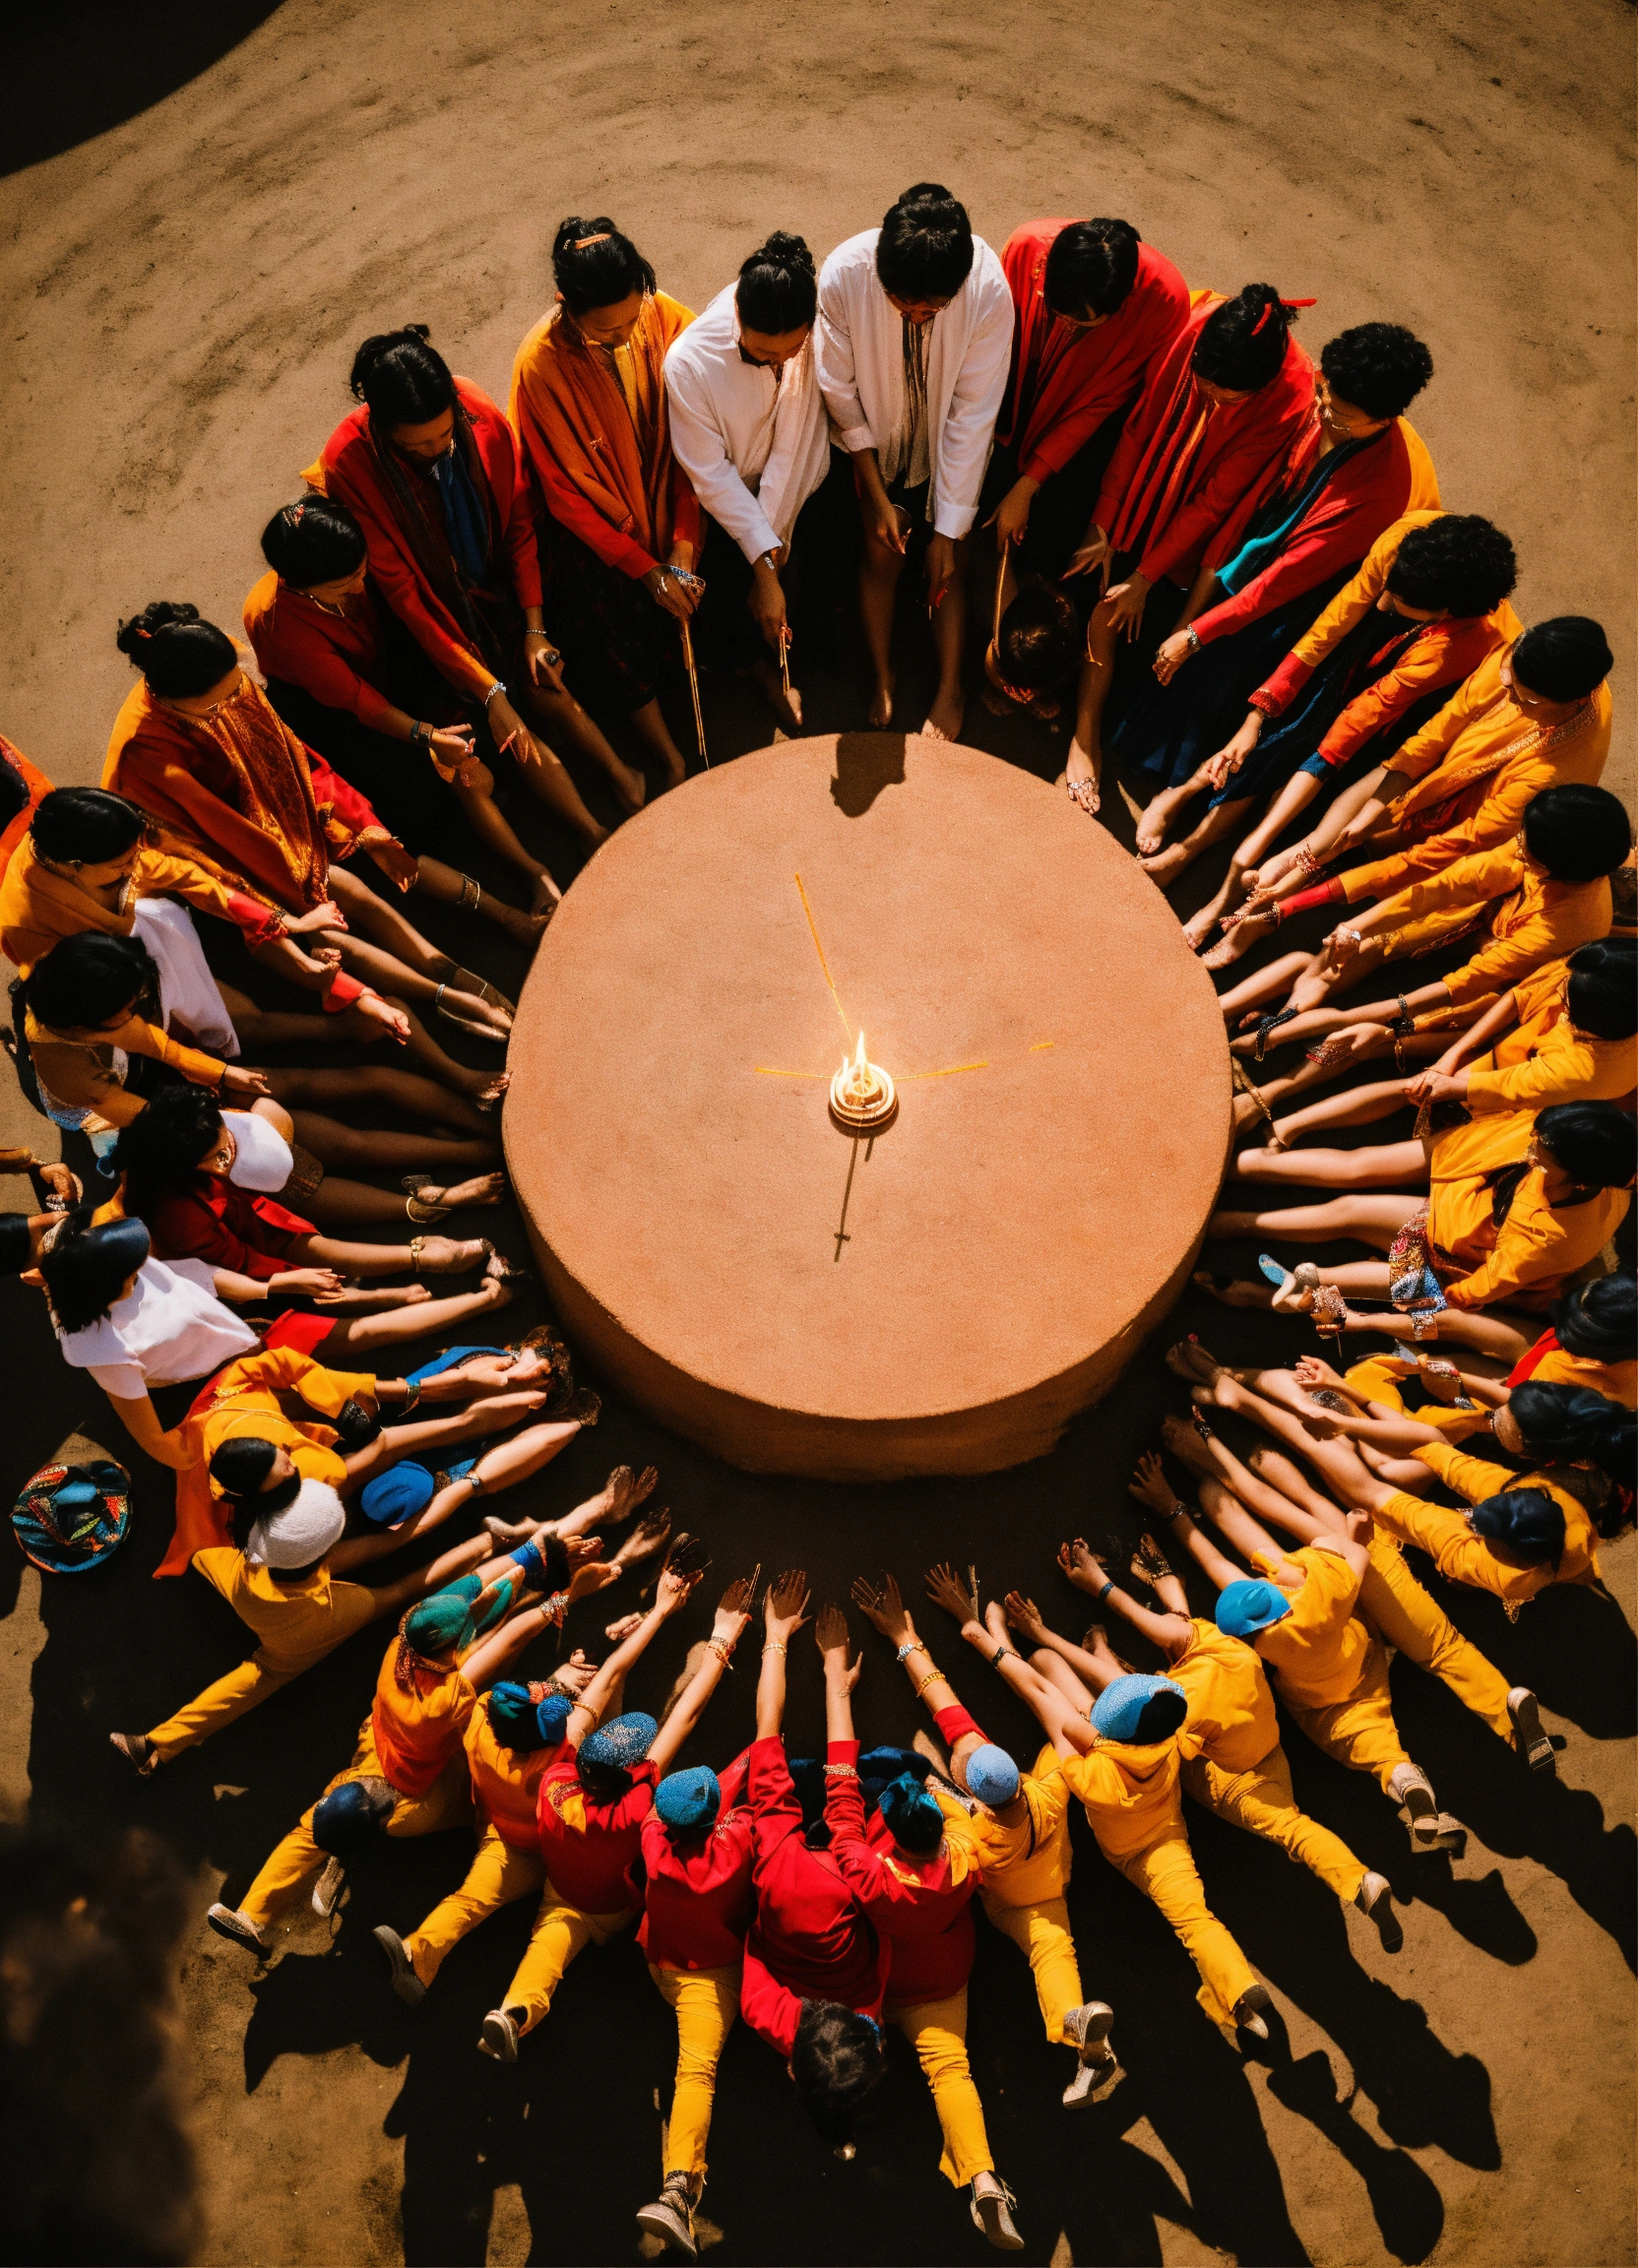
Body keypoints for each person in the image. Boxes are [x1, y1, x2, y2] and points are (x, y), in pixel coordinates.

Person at [103, 601, 512, 1041]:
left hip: (254, 811)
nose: (238, 700)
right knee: (325, 914)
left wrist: (361, 825)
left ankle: (455, 967)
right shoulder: (147, 755)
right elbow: (221, 841)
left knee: (356, 879)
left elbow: (290, 757)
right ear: (176, 703)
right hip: (201, 852)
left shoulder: (222, 677)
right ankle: (448, 995)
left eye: (236, 689)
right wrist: (302, 897)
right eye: (220, 702)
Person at [107, 1376, 561, 1766]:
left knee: (251, 1682)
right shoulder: (336, 1601)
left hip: (247, 1590)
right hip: (307, 1621)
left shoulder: (231, 1553)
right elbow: (398, 1552)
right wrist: (465, 1490)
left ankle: (156, 1744)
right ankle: (486, 1535)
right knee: (400, 1586)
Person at [1042, 1454, 1403, 1937]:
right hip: (1268, 1748)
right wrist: (1100, 1590)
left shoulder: (1182, 1707)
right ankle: (1362, 1876)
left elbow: (1134, 1696)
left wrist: (1054, 1634)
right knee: (1293, 1823)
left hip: (1237, 1778)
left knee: (1287, 1825)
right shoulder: (1237, 1652)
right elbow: (1167, 1634)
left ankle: (1357, 1877)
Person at [310, 325, 641, 836]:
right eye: (418, 446)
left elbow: (517, 523)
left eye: (445, 435)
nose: (439, 449)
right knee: (508, 727)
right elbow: (404, 594)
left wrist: (534, 626)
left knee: (542, 676)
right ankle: (590, 830)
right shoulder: (349, 461)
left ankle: (622, 772)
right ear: (382, 426)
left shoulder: (476, 409)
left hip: (494, 588)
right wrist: (490, 693)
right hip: (426, 624)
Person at [206, 1542, 606, 1955]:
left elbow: (467, 1591)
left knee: (312, 1827)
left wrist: (528, 1561)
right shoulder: (439, 1702)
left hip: (372, 1753)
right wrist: (567, 1595)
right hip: (415, 1791)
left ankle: (253, 1915)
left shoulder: (400, 1642)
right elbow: (500, 1642)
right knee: (475, 1791)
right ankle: (345, 1851)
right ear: (448, 1649)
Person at [1125, 322, 1438, 821]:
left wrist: (1195, 633)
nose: (1324, 414)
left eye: (1344, 416)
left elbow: (1284, 580)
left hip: (1286, 595)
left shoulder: (1382, 491)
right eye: (1325, 396)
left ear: (1386, 419)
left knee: (1217, 675)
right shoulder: (1321, 406)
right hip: (1251, 545)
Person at [1161, 513, 1521, 924]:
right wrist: (1258, 714)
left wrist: (1263, 837)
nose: (1383, 600)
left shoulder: (1462, 647)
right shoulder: (1401, 544)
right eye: (1388, 585)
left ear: (1442, 612)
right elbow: (1333, 625)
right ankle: (1196, 834)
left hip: (1409, 697)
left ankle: (1222, 862)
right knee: (1285, 727)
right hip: (1364, 640)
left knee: (1309, 754)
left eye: (1397, 600)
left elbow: (1352, 728)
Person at [852, 1571, 1116, 2105]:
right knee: (1054, 1956)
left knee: (1050, 1952)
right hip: (1050, 1889)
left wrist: (902, 1639)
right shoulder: (1046, 1786)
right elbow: (1053, 1749)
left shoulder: (967, 1832)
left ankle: (1079, 2032)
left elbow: (937, 1697)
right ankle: (1076, 2027)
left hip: (1011, 1905)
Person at [248, 498, 564, 932]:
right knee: (401, 824)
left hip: (387, 669)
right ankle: (506, 913)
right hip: (337, 718)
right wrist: (430, 737)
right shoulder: (282, 627)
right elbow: (360, 702)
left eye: (362, 572)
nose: (361, 588)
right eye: (346, 585)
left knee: (465, 767)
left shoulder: (356, 568)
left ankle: (533, 870)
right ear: (300, 586)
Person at [475, 1553, 742, 2063]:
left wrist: (659, 1613)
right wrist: (720, 1639)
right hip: (609, 1908)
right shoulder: (636, 1809)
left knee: (547, 1946)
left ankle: (515, 2012)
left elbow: (608, 1680)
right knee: (557, 1940)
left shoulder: (557, 1776)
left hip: (562, 1882)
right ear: (629, 1776)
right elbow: (684, 1717)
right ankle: (514, 2013)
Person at [1061, 284, 1317, 814]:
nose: (1210, 402)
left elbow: (1212, 503)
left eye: (1227, 399)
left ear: (1262, 386)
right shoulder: (1197, 327)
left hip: (1202, 533)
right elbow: (1138, 429)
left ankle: (1094, 724)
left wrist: (1145, 577)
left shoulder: (1290, 395)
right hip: (1137, 491)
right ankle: (1082, 736)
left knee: (1138, 632)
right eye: (1203, 387)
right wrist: (1104, 525)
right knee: (1097, 603)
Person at [817, 1602, 1024, 2251]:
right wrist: (938, 1787)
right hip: (944, 1977)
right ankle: (984, 2177)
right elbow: (956, 1803)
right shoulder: (963, 1857)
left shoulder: (867, 1870)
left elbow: (842, 1784)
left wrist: (835, 1685)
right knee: (951, 2071)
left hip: (878, 1978)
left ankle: (840, 2120)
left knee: (842, 2051)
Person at [32, 1207, 525, 1468]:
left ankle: (479, 1304)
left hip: (251, 1335)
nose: (143, 1259)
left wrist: (269, 1287)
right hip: (235, 1385)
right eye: (130, 1262)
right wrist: (214, 1448)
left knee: (364, 1336)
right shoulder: (101, 1347)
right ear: (102, 1286)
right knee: (362, 1400)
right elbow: (158, 1441)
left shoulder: (127, 1269)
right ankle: (473, 1337)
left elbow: (196, 1276)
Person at [1228, 614, 1616, 930]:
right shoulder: (1521, 662)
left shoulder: (1552, 776)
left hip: (1473, 823)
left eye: (1526, 698)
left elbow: (1463, 842)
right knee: (1370, 807)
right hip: (1450, 770)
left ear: (1575, 699)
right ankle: (1309, 852)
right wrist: (1363, 817)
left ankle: (1304, 874)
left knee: (1395, 861)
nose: (1510, 698)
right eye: (1507, 683)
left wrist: (1341, 876)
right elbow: (1436, 733)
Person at [1176, 1351, 1629, 1609]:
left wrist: (1344, 1416)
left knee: (1375, 1480)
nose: (1492, 1419)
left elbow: (1395, 1482)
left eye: (1498, 1426)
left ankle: (1250, 1397)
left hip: (1478, 1523)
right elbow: (1434, 1447)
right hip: (1516, 1502)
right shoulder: (1563, 1506)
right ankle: (1244, 1390)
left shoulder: (1480, 1553)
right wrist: (1349, 1408)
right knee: (1388, 1462)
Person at [816, 183, 1014, 738]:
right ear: (880, 272)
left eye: (934, 310)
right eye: (905, 306)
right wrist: (877, 495)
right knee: (881, 554)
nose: (920, 318)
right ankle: (883, 673)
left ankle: (950, 684)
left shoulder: (988, 289)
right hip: (870, 447)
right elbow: (839, 391)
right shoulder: (842, 274)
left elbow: (972, 416)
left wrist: (947, 533)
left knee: (947, 568)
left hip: (947, 449)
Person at [511, 219, 701, 788]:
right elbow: (565, 495)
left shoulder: (666, 316)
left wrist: (683, 547)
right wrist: (644, 568)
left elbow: (698, 436)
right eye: (605, 334)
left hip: (676, 508)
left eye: (631, 321)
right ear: (564, 305)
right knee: (619, 639)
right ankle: (665, 753)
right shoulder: (539, 365)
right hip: (598, 540)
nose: (625, 338)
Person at [1212, 1101, 1635, 1316]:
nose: (1531, 1151)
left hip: (1466, 1245)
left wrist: (1434, 1297)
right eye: (1535, 1139)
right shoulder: (1581, 1141)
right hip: (1475, 1168)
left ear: (1580, 1180)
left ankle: (1241, 1226)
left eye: (1542, 1156)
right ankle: (1235, 1169)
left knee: (1349, 1211)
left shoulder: (1546, 1239)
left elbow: (1477, 1290)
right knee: (1355, 1168)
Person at [734, 1571, 889, 2159]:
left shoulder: (868, 2020)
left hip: (816, 1879)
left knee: (815, 1776)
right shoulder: (764, 2013)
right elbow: (770, 1746)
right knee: (795, 1765)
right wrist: (790, 1645)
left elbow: (836, 1783)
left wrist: (828, 1671)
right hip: (807, 1883)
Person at [0, 786, 352, 1035]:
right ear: (74, 866)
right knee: (232, 1021)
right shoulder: (25, 922)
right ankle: (335, 1030)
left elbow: (191, 878)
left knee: (229, 1014)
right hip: (102, 982)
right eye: (123, 864)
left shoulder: (102, 851)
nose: (137, 865)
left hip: (132, 941)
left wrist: (290, 922)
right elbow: (75, 992)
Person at [664, 231, 832, 732]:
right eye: (762, 355)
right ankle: (755, 671)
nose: (779, 364)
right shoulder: (689, 363)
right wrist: (763, 565)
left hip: (799, 478)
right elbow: (712, 476)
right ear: (737, 313)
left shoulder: (813, 327)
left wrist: (771, 555)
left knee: (797, 584)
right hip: (732, 499)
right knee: (739, 602)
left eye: (791, 352)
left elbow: (799, 429)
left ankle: (788, 663)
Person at [113, 1078, 507, 1279]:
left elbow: (264, 1110)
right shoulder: (181, 1213)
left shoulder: (193, 1117)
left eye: (225, 1141)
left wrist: (265, 1134)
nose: (225, 1155)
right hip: (258, 1212)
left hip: (272, 1151)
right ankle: (423, 1217)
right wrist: (414, 1258)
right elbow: (281, 1251)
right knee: (304, 1207)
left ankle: (469, 1152)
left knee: (354, 1144)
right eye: (216, 1156)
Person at [987, 216, 1191, 575]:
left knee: (1051, 551)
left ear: (1123, 301)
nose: (1065, 326)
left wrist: (1029, 485)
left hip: (1088, 431)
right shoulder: (1026, 247)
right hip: (1010, 401)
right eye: (1055, 312)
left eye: (1082, 324)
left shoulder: (1162, 301)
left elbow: (1109, 405)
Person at [19, 931, 267, 1166]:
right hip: (93, 1105)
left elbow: (162, 1048)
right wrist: (210, 1135)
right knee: (127, 1148)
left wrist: (225, 1072)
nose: (135, 1012)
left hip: (113, 1072)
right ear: (85, 1023)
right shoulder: (68, 1073)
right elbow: (146, 1117)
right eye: (127, 1008)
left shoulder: (72, 980)